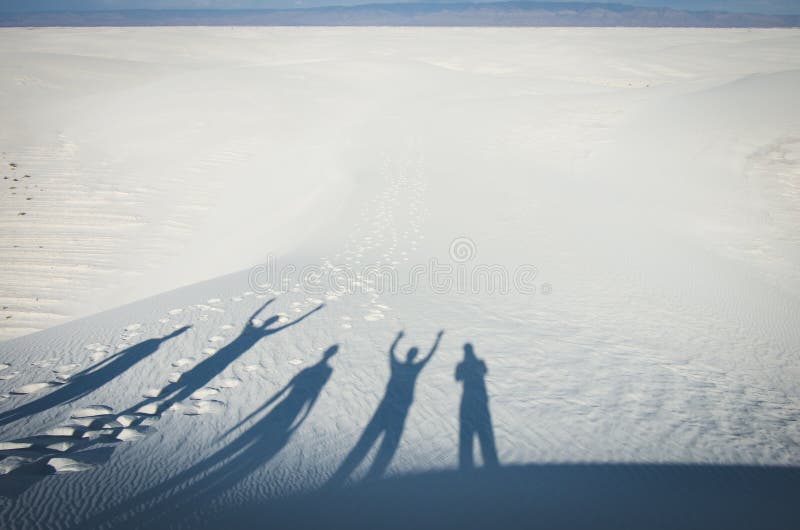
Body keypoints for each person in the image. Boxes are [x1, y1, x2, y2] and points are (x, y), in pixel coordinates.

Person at [328, 330, 444, 484]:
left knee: (369, 439)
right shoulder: (414, 369)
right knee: (389, 441)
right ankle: (375, 475)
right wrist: (438, 339)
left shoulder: (397, 366)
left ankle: (345, 476)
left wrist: (397, 339)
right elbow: (429, 356)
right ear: (414, 356)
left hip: (386, 406)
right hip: (400, 409)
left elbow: (391, 352)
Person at [456, 343, 498, 469]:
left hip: (472, 400)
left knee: (471, 433)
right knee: (483, 432)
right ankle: (489, 464)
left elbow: (458, 377)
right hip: (477, 400)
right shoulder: (475, 363)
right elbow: (459, 377)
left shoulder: (467, 364)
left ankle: (469, 465)